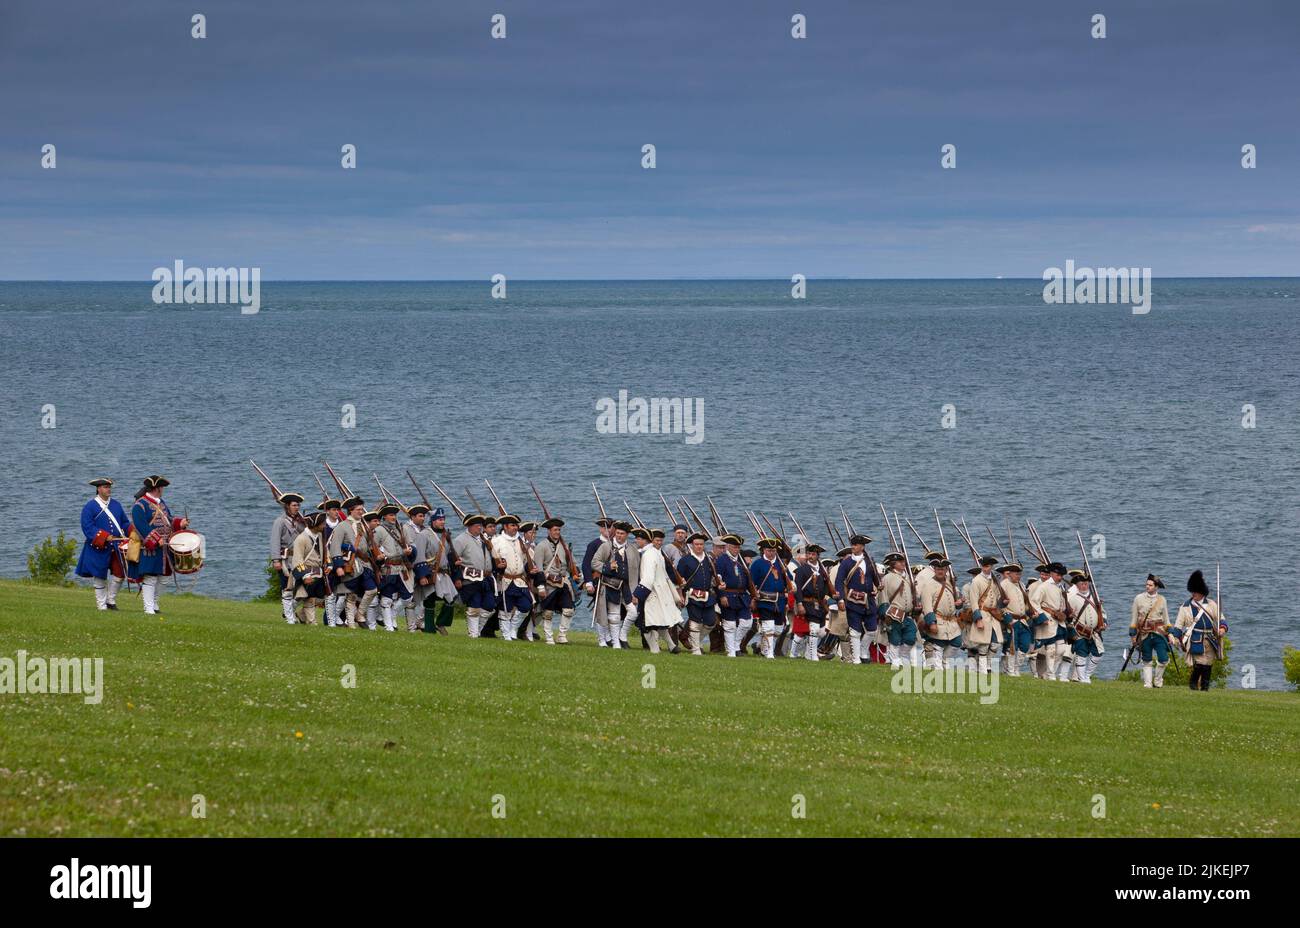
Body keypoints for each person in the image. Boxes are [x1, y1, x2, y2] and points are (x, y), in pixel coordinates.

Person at [127, 475, 188, 616]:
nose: (163, 490)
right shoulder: (139, 505)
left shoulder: (161, 503)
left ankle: (154, 603)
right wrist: (155, 539)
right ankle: (148, 609)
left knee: (164, 578)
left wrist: (180, 523)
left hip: (165, 549)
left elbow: (169, 520)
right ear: (157, 488)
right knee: (150, 578)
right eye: (162, 487)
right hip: (150, 549)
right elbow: (140, 526)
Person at [76, 477, 130, 612]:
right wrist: (105, 537)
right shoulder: (90, 506)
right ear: (99, 489)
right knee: (99, 576)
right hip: (98, 547)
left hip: (116, 546)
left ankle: (110, 600)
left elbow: (124, 522)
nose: (108, 489)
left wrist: (133, 531)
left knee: (120, 573)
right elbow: (87, 527)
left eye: (109, 487)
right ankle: (101, 605)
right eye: (105, 487)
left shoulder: (116, 504)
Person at [1173, 569, 1228, 691]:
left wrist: (1222, 629)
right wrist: (1175, 637)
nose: (1193, 594)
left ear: (1202, 592)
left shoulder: (1212, 604)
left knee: (1208, 665)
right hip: (1194, 639)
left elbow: (1222, 620)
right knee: (1199, 665)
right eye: (1192, 591)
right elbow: (1178, 626)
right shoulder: (1185, 607)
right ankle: (1193, 684)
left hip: (1210, 639)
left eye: (1196, 592)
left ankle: (1205, 687)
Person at [590, 521, 640, 649]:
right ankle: (614, 642)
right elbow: (594, 563)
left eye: (622, 533)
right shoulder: (606, 546)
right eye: (617, 533)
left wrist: (636, 592)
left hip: (627, 587)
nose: (619, 536)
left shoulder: (633, 549)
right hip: (609, 585)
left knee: (633, 612)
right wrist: (608, 566)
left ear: (627, 535)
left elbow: (637, 570)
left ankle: (621, 636)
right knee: (612, 615)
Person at [632, 527, 680, 653]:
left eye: (639, 538)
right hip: (659, 593)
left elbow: (648, 578)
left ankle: (654, 650)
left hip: (650, 594)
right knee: (659, 622)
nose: (637, 540)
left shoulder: (648, 555)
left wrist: (637, 594)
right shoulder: (656, 553)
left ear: (645, 540)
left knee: (645, 624)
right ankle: (672, 646)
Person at [490, 514, 537, 641]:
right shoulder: (496, 541)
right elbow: (492, 562)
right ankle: (506, 635)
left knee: (526, 606)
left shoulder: (520, 541)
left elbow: (524, 561)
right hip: (505, 580)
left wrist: (530, 569)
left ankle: (513, 630)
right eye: (512, 525)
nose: (515, 528)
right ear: (505, 527)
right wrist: (499, 567)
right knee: (505, 610)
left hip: (519, 580)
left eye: (516, 525)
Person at [834, 534, 878, 664]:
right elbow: (839, 582)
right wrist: (841, 599)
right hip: (852, 600)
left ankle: (864, 650)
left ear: (862, 546)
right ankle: (856, 658)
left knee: (872, 630)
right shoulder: (846, 563)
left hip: (868, 600)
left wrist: (878, 585)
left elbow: (875, 577)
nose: (853, 547)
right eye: (852, 544)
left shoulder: (869, 561)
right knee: (854, 631)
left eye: (856, 545)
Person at [533, 517, 578, 644]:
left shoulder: (564, 545)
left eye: (559, 530)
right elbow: (539, 569)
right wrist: (541, 587)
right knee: (548, 612)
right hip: (548, 583)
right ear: (549, 531)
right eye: (555, 530)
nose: (557, 532)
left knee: (568, 609)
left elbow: (571, 563)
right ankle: (549, 637)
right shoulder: (541, 546)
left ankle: (562, 635)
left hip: (563, 582)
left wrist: (576, 573)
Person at [452, 513, 495, 638]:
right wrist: (457, 578)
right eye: (477, 526)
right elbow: (454, 560)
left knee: (489, 606)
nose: (480, 528)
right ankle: (473, 634)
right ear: (470, 527)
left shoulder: (483, 539)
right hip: (470, 578)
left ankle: (478, 630)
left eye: (481, 526)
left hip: (485, 578)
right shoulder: (461, 540)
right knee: (474, 606)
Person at [917, 558, 964, 670]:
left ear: (946, 569)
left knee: (957, 642)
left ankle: (944, 661)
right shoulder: (929, 586)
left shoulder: (950, 584)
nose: (940, 571)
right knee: (938, 645)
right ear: (935, 570)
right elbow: (927, 607)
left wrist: (959, 604)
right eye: (938, 569)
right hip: (938, 620)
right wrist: (932, 622)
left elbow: (956, 603)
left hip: (951, 621)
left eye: (942, 569)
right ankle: (939, 669)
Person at [750, 537, 792, 659]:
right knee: (768, 627)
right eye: (769, 550)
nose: (771, 553)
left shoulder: (781, 564)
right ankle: (769, 653)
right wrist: (753, 597)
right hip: (764, 600)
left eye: (773, 550)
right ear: (763, 550)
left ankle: (762, 648)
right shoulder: (757, 564)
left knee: (778, 629)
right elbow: (751, 583)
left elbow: (789, 580)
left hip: (779, 601)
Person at [676, 532, 718, 655]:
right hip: (692, 594)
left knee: (711, 622)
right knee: (695, 623)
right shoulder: (685, 560)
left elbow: (714, 577)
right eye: (696, 544)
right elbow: (679, 580)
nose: (699, 546)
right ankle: (695, 649)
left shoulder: (709, 559)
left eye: (701, 544)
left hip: (707, 595)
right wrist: (680, 595)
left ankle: (695, 641)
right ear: (692, 545)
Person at [1129, 574, 1171, 688]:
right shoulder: (1138, 598)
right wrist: (1133, 635)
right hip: (1144, 633)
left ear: (1156, 587)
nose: (1147, 587)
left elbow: (1166, 619)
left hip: (1159, 633)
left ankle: (1157, 681)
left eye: (1150, 585)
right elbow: (1134, 618)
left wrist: (1170, 633)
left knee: (1163, 659)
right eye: (1147, 584)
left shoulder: (1162, 599)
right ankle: (1147, 684)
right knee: (1146, 659)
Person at [270, 492, 306, 625]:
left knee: (305, 588)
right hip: (286, 560)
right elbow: (275, 541)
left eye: (298, 505)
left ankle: (288, 611)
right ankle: (290, 619)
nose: (297, 507)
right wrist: (276, 560)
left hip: (299, 559)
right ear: (287, 506)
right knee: (287, 589)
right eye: (294, 505)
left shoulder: (301, 522)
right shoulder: (280, 521)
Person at [878, 552, 918, 668]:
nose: (903, 563)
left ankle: (900, 656)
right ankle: (895, 661)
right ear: (893, 564)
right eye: (900, 562)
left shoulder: (907, 577)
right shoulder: (887, 578)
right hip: (893, 613)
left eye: (903, 561)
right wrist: (885, 614)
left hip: (906, 614)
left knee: (911, 636)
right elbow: (883, 596)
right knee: (894, 639)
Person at [965, 556, 1004, 676]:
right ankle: (982, 671)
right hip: (982, 614)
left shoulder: (994, 580)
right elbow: (973, 602)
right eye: (985, 566)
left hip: (992, 615)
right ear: (982, 566)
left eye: (989, 566)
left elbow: (997, 598)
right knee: (982, 645)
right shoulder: (977, 580)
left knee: (995, 643)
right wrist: (978, 619)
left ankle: (986, 665)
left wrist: (1003, 602)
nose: (987, 568)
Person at [289, 512, 330, 625]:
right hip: (307, 572)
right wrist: (305, 575)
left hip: (319, 572)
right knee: (309, 599)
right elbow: (298, 559)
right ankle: (312, 622)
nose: (324, 526)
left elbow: (326, 552)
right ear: (315, 524)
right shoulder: (301, 539)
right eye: (322, 524)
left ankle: (302, 615)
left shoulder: (320, 536)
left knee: (320, 598)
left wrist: (329, 564)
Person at [793, 543, 830, 661]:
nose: (810, 556)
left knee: (821, 632)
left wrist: (833, 594)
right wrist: (799, 604)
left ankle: (808, 653)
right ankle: (813, 656)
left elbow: (825, 587)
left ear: (818, 556)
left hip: (820, 604)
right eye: (809, 553)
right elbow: (797, 589)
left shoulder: (822, 570)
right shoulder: (801, 570)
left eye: (813, 554)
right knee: (813, 630)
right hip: (806, 603)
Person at [1066, 572, 1106, 683]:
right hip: (1079, 632)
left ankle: (1087, 675)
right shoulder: (1072, 599)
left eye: (1086, 583)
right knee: (1081, 656)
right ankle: (1082, 678)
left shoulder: (1095, 597)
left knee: (1098, 654)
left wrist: (1104, 622)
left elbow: (1102, 613)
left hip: (1094, 632)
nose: (1084, 586)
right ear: (1077, 585)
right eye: (1081, 584)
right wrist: (1072, 633)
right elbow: (1068, 619)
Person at [403, 504, 437, 632]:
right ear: (412, 517)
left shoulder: (423, 529)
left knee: (425, 597)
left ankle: (418, 622)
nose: (423, 518)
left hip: (423, 567)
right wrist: (422, 574)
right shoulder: (407, 529)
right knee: (410, 599)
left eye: (423, 516)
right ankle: (411, 627)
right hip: (411, 569)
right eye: (420, 516)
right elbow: (415, 552)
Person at [581, 518, 614, 646]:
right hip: (597, 580)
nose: (608, 530)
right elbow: (586, 564)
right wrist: (589, 582)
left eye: (610, 527)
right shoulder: (594, 544)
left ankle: (610, 636)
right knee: (601, 611)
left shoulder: (615, 544)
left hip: (612, 581)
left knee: (612, 611)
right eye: (605, 527)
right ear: (600, 529)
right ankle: (602, 639)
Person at [996, 563, 1032, 676]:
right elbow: (999, 605)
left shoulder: (1021, 584)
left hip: (1023, 620)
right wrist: (1008, 618)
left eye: (1019, 574)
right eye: (1016, 574)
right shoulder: (1003, 585)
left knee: (1025, 646)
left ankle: (1017, 669)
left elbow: (1025, 603)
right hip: (1012, 620)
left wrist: (1030, 613)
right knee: (1012, 647)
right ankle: (1010, 671)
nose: (1018, 576)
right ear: (1010, 573)